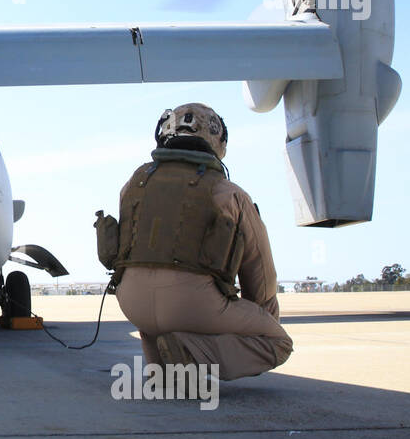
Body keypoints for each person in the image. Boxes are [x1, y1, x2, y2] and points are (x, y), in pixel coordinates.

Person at [108, 103, 292, 381]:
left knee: (156, 307)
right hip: (193, 303)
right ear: (219, 142)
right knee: (278, 342)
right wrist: (258, 318)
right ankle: (195, 355)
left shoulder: (134, 183)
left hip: (133, 305)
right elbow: (261, 274)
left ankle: (161, 368)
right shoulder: (229, 193)